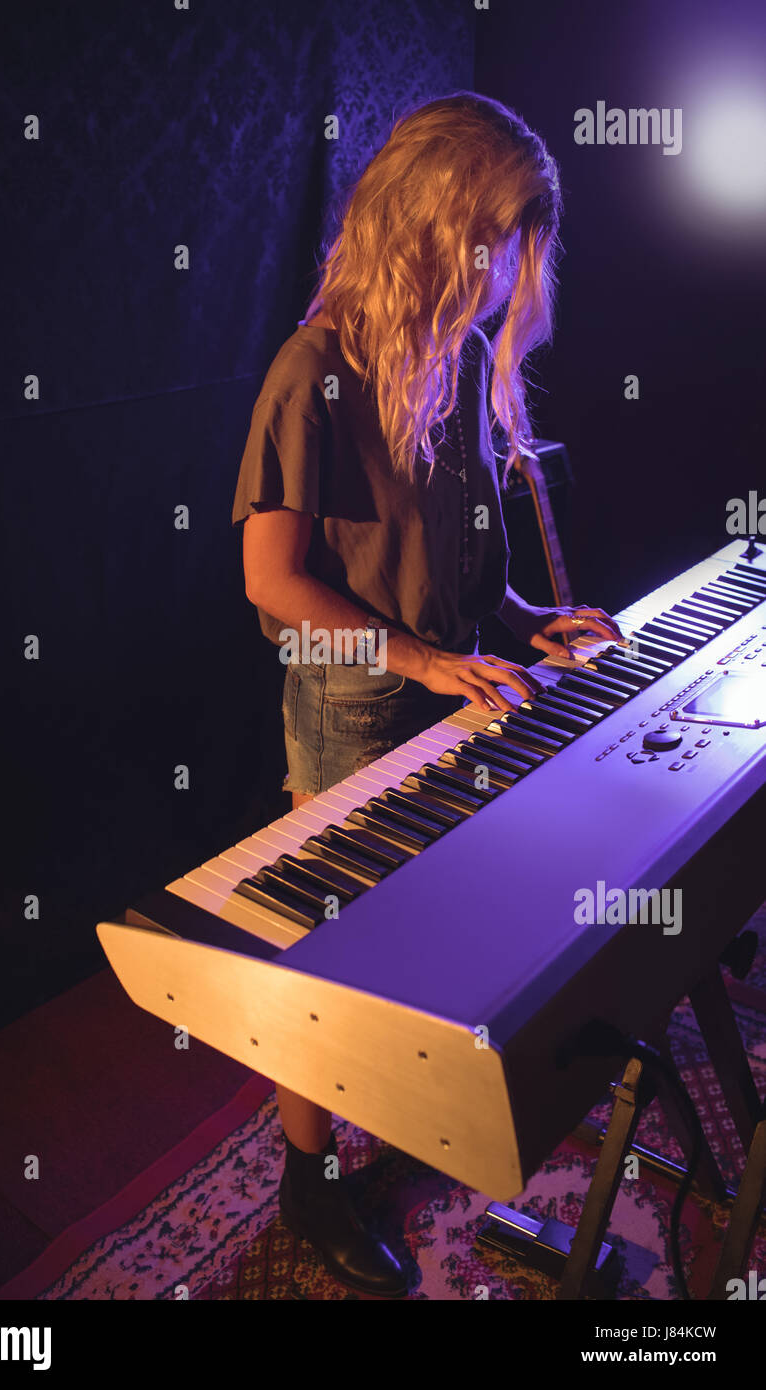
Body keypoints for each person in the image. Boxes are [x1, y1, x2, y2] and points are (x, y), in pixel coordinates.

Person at [232, 91, 621, 1298]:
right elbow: (273, 583)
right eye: (501, 241)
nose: (512, 274)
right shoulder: (314, 372)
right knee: (326, 959)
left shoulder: (448, 357)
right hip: (353, 703)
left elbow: (456, 572)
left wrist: (521, 626)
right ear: (434, 223)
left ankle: (402, 1111)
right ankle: (307, 1178)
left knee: (419, 937)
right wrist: (417, 662)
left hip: (447, 677)